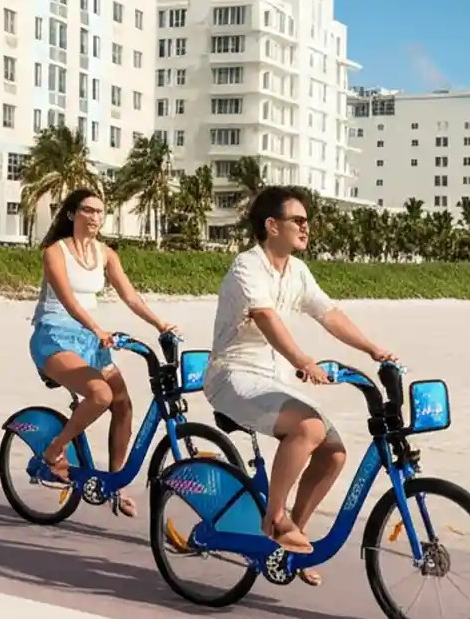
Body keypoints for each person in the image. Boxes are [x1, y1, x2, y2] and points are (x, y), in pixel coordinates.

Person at [203, 186, 396, 586]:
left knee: (334, 453)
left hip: (271, 380)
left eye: (308, 221)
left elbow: (329, 314)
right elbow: (266, 317)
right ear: (271, 226)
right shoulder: (248, 266)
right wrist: (303, 361)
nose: (307, 227)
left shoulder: (297, 271)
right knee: (308, 427)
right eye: (298, 221)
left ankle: (294, 536)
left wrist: (373, 348)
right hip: (233, 377)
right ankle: (274, 519)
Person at [30, 188, 177, 517]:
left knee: (123, 404)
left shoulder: (106, 254)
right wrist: (98, 329)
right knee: (100, 394)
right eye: (88, 210)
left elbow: (131, 296)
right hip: (54, 336)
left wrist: (160, 323)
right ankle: (54, 451)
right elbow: (68, 300)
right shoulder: (55, 252)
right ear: (72, 214)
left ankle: (115, 484)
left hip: (89, 341)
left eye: (100, 211)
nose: (95, 217)